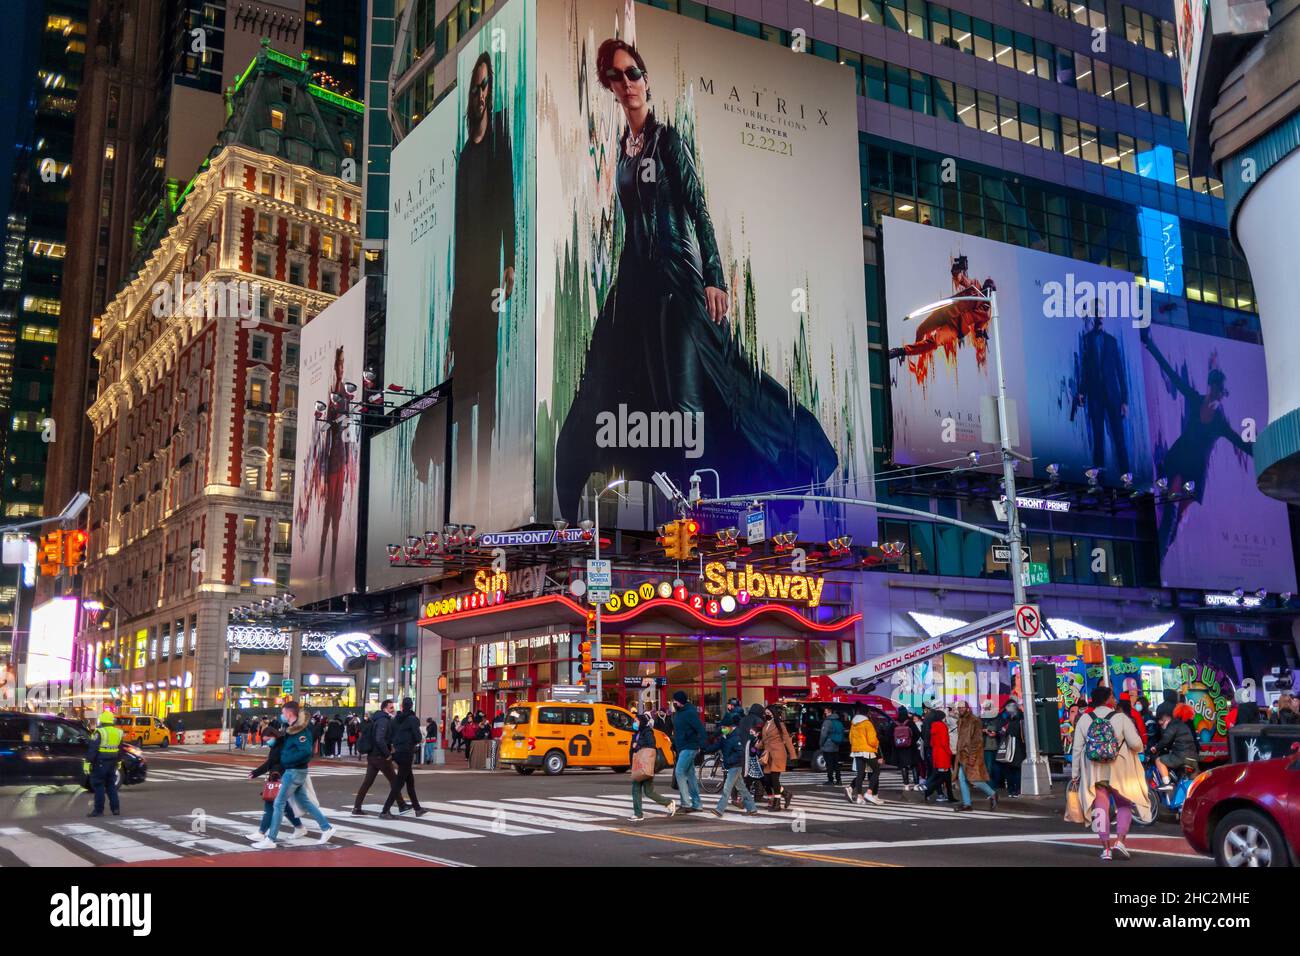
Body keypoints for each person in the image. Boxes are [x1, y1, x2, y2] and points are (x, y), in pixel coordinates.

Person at [552, 37, 837, 522]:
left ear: (645, 79)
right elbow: (632, 228)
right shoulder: (623, 152)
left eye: (634, 73)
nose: (628, 84)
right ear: (610, 87)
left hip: (680, 287)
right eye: (617, 77)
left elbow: (699, 210)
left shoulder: (669, 142)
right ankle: (581, 492)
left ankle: (735, 498)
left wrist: (715, 279)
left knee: (688, 410)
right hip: (638, 289)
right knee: (611, 388)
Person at [410, 51, 515, 515]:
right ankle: (463, 501)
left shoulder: (499, 144)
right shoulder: (464, 154)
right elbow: (457, 236)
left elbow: (509, 201)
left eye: (487, 84)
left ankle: (489, 494)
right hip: (466, 288)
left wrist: (511, 262)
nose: (481, 92)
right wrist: (451, 321)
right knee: (462, 391)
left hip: (492, 283)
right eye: (476, 86)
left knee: (485, 387)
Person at [1141, 326, 1253, 561]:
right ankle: (1159, 553)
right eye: (1218, 390)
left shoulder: (1220, 422)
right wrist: (1150, 344)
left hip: (1197, 471)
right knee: (1172, 506)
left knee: (1180, 517)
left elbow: (1241, 444)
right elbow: (1172, 375)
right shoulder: (1195, 398)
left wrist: (1266, 452)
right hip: (1180, 459)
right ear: (1211, 387)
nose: (1220, 396)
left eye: (1222, 393)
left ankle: (1165, 552)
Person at [1071, 684, 1154, 860]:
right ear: (1108, 699)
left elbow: (1077, 749)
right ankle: (1120, 842)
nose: (1115, 700)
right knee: (1123, 804)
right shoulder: (1121, 718)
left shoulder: (1085, 719)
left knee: (1100, 807)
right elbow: (1136, 744)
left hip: (1095, 771)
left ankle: (1106, 849)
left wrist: (1075, 774)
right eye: (1113, 697)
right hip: (1120, 770)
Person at [251, 702, 336, 848]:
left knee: (279, 803)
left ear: (289, 714)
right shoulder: (293, 729)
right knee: (305, 802)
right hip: (295, 770)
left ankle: (270, 839)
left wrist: (286, 760)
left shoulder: (299, 731)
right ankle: (326, 827)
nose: (282, 716)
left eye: (283, 713)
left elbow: (306, 752)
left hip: (294, 771)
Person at [1074, 311, 1131, 477]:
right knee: (1098, 437)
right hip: (1095, 396)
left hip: (1113, 396)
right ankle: (1099, 478)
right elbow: (1085, 369)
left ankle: (1126, 475)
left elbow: (1120, 372)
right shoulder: (1087, 339)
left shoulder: (1112, 341)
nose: (1099, 319)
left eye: (1101, 316)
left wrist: (1125, 400)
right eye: (1097, 316)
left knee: (1119, 437)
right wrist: (1082, 392)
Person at [247, 724, 305, 841]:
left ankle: (262, 832)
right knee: (283, 805)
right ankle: (299, 827)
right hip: (278, 777)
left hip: (282, 778)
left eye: (268, 740)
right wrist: (255, 773)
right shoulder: (276, 746)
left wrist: (275, 773)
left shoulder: (283, 745)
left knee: (270, 804)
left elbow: (283, 763)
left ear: (273, 735)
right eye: (265, 741)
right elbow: (270, 763)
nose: (268, 743)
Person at [351, 700, 409, 816]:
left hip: (372, 756)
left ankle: (357, 807)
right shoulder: (383, 721)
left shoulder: (376, 719)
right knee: (394, 781)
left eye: (393, 707)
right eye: (391, 707)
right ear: (384, 709)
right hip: (380, 757)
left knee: (367, 782)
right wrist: (387, 754)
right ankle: (400, 805)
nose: (393, 709)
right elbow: (379, 739)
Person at [702, 710, 758, 817]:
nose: (722, 729)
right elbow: (717, 745)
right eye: (722, 727)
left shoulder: (736, 737)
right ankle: (752, 808)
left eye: (724, 728)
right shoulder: (726, 736)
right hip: (732, 765)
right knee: (742, 788)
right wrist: (705, 749)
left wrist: (729, 761)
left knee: (727, 788)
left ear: (731, 727)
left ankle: (719, 810)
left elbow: (740, 753)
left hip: (735, 766)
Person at [628, 706, 678, 822]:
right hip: (639, 765)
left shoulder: (647, 732)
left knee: (643, 790)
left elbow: (651, 746)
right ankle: (640, 812)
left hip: (646, 764)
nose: (634, 723)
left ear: (642, 722)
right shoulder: (636, 733)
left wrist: (637, 746)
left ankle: (640, 813)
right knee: (643, 790)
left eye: (636, 721)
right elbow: (633, 750)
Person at [381, 698, 429, 817]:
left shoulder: (395, 719)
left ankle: (417, 808)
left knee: (410, 781)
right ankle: (385, 810)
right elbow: (418, 737)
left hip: (397, 752)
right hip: (407, 752)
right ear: (411, 706)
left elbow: (390, 736)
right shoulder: (412, 719)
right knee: (399, 783)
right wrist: (418, 739)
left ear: (402, 706)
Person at [953, 700, 997, 812]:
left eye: (963, 707)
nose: (961, 709)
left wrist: (972, 757)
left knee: (973, 779)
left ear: (968, 708)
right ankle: (967, 804)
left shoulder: (974, 720)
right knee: (963, 779)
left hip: (971, 754)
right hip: (962, 755)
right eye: (959, 708)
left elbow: (977, 741)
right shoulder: (961, 721)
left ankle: (992, 793)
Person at [670, 691, 705, 812]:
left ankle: (686, 803)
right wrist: (674, 744)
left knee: (679, 772)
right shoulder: (678, 713)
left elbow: (700, 728)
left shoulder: (690, 713)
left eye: (675, 700)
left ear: (680, 701)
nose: (673, 702)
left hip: (689, 747)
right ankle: (697, 804)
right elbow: (678, 731)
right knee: (690, 776)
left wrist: (701, 745)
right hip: (682, 747)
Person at [85, 710, 124, 817]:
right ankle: (115, 809)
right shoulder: (118, 732)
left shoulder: (100, 732)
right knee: (111, 785)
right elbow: (120, 749)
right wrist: (119, 761)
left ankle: (99, 810)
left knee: (99, 785)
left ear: (102, 720)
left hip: (101, 762)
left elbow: (93, 749)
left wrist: (88, 762)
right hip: (113, 762)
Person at [760, 704, 798, 811]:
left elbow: (787, 739)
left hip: (778, 754)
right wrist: (756, 747)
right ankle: (786, 794)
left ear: (773, 713)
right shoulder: (765, 725)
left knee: (774, 779)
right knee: (767, 780)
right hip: (768, 755)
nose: (766, 714)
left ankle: (777, 804)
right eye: (765, 713)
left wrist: (793, 755)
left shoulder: (779, 724)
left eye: (768, 713)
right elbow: (764, 740)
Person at [845, 707, 884, 805]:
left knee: (860, 773)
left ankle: (859, 797)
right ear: (867, 713)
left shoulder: (853, 724)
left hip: (856, 751)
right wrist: (876, 744)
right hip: (867, 751)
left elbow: (850, 738)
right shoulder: (867, 724)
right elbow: (872, 740)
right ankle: (869, 792)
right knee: (876, 771)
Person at [1150, 709, 1197, 789]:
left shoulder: (1172, 726)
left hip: (1181, 756)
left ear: (1166, 720)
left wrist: (1155, 747)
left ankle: (1167, 783)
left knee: (1159, 760)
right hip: (1192, 756)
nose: (1162, 727)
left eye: (1161, 724)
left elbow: (1165, 740)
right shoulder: (1182, 725)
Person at [921, 706, 955, 803]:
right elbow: (944, 742)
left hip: (936, 752)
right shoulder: (942, 726)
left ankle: (950, 796)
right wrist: (949, 752)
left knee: (945, 776)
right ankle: (928, 789)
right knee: (942, 776)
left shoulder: (933, 726)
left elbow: (931, 742)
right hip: (943, 754)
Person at [994, 699, 1026, 797]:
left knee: (1014, 769)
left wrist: (1004, 730)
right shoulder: (1014, 718)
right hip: (1015, 747)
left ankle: (1015, 790)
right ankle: (1014, 790)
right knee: (1013, 769)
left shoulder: (1014, 719)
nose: (1006, 710)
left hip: (1016, 747)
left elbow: (1013, 731)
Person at [892, 706, 921, 790]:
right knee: (914, 765)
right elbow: (917, 734)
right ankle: (916, 784)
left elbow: (889, 735)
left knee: (903, 766)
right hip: (911, 747)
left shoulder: (895, 723)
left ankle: (906, 785)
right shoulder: (910, 722)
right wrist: (912, 741)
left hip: (900, 748)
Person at [819, 709, 846, 786]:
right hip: (836, 745)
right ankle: (839, 780)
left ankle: (830, 780)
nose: (824, 713)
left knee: (829, 764)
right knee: (836, 764)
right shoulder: (838, 721)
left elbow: (823, 735)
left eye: (825, 712)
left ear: (829, 712)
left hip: (827, 745)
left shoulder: (827, 722)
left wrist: (821, 744)